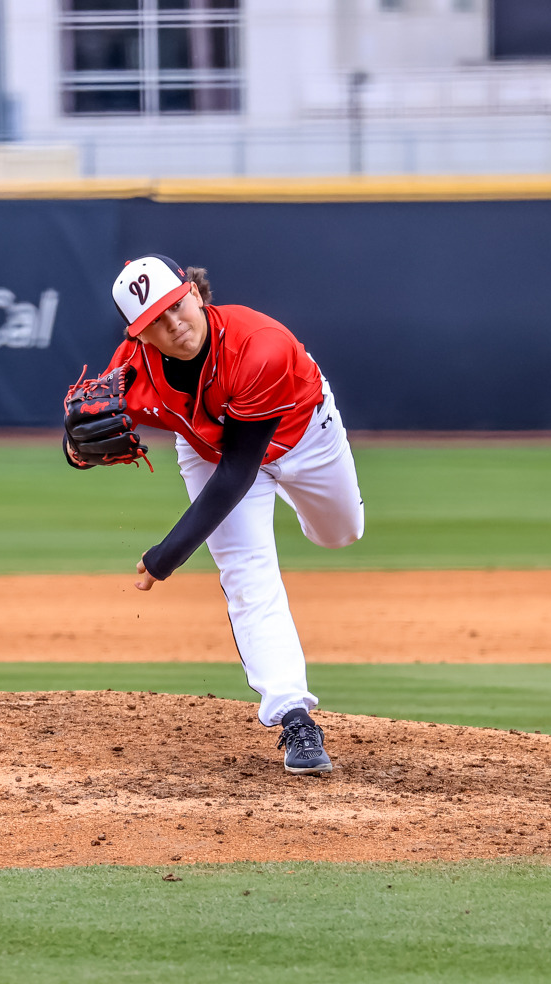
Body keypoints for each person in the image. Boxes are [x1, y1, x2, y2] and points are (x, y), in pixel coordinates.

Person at [63, 254, 365, 775]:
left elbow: (239, 470)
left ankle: (302, 501)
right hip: (207, 452)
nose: (172, 324)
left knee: (340, 534)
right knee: (247, 573)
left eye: (176, 306)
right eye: (154, 320)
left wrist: (167, 555)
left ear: (196, 294)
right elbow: (82, 436)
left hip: (303, 438)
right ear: (137, 335)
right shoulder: (131, 369)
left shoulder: (259, 345)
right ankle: (295, 718)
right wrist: (73, 447)